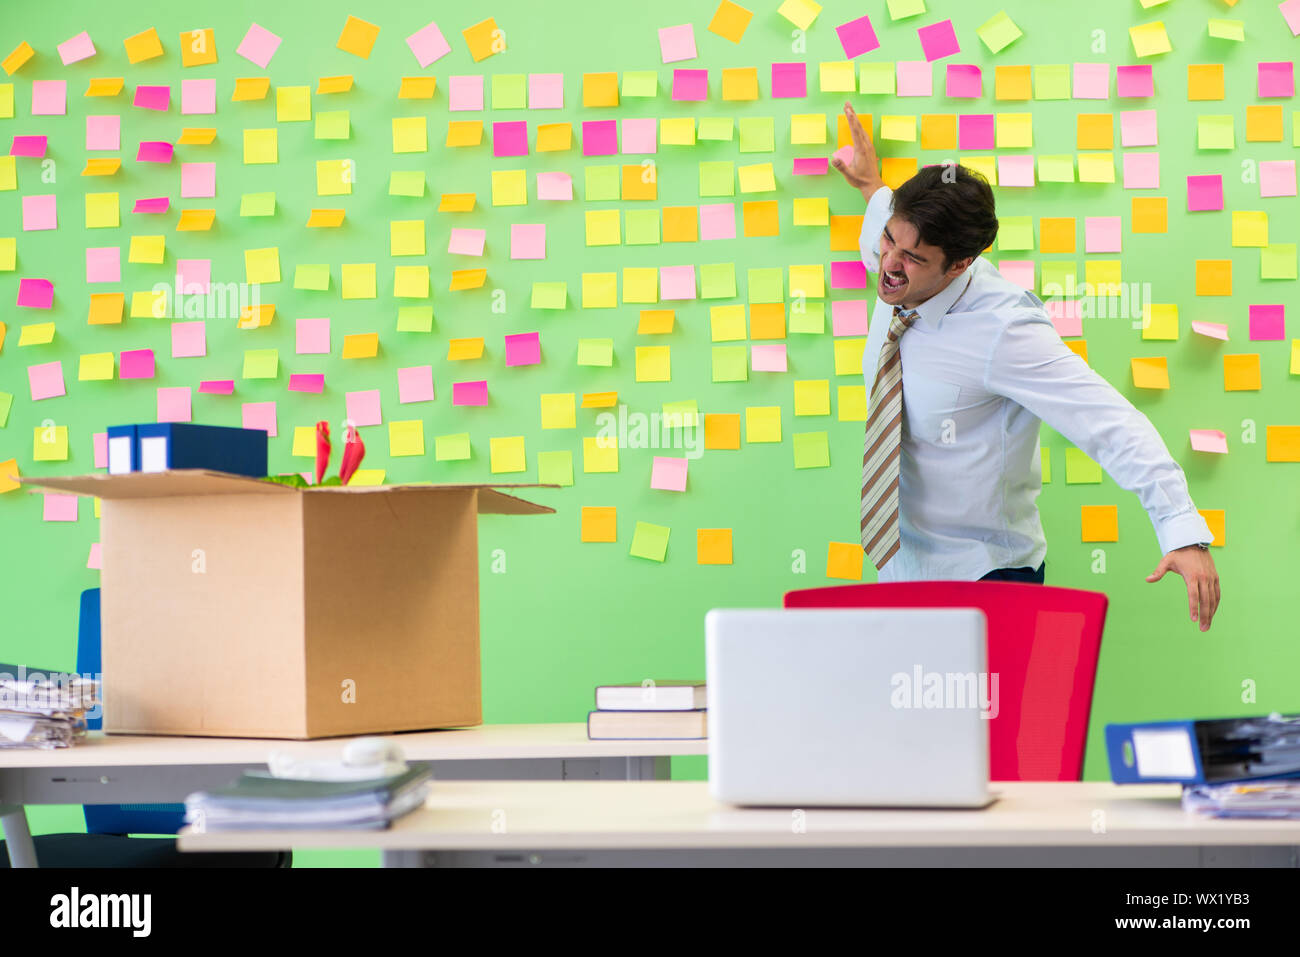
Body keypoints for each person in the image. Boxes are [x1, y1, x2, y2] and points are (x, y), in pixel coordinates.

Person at [830, 102, 1220, 632]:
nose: (890, 265)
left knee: (989, 718)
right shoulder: (896, 255)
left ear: (961, 263)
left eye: (914, 258)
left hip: (984, 577)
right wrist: (872, 186)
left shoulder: (1004, 328)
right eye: (888, 242)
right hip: (900, 570)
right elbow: (885, 221)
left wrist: (1183, 531)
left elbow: (1106, 419)